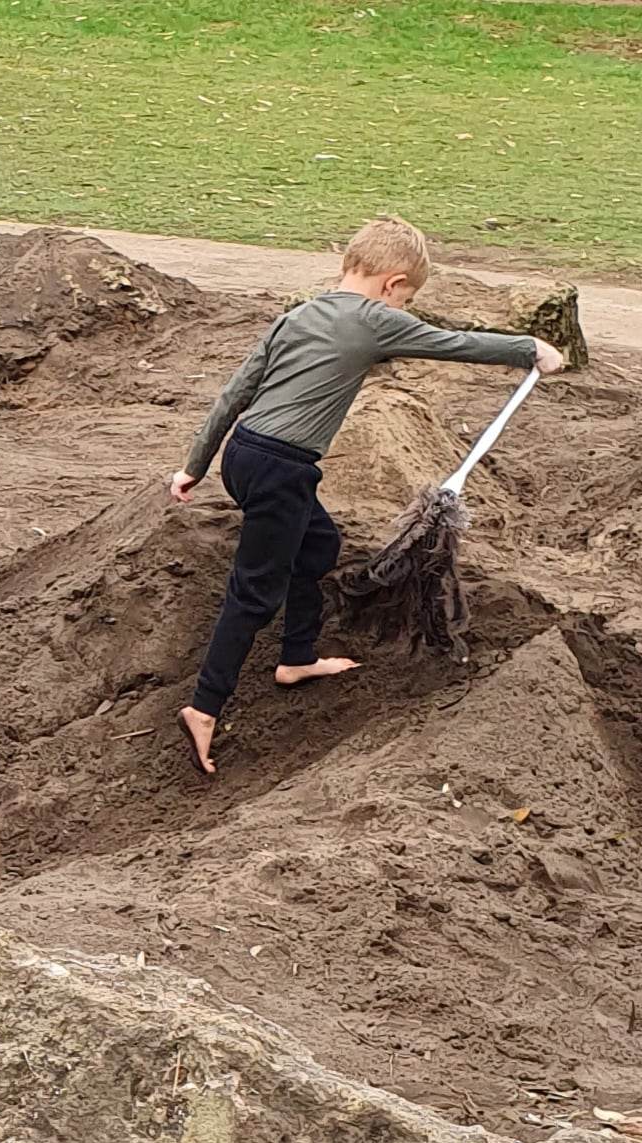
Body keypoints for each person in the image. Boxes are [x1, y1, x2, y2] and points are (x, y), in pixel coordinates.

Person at [170, 214, 564, 775]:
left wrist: (194, 466)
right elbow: (452, 344)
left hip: (244, 455)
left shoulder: (299, 314)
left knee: (318, 546)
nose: (402, 309)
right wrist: (529, 348)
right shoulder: (377, 319)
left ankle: (297, 658)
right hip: (282, 468)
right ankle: (204, 706)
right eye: (407, 298)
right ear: (393, 284)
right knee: (255, 592)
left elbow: (235, 392)